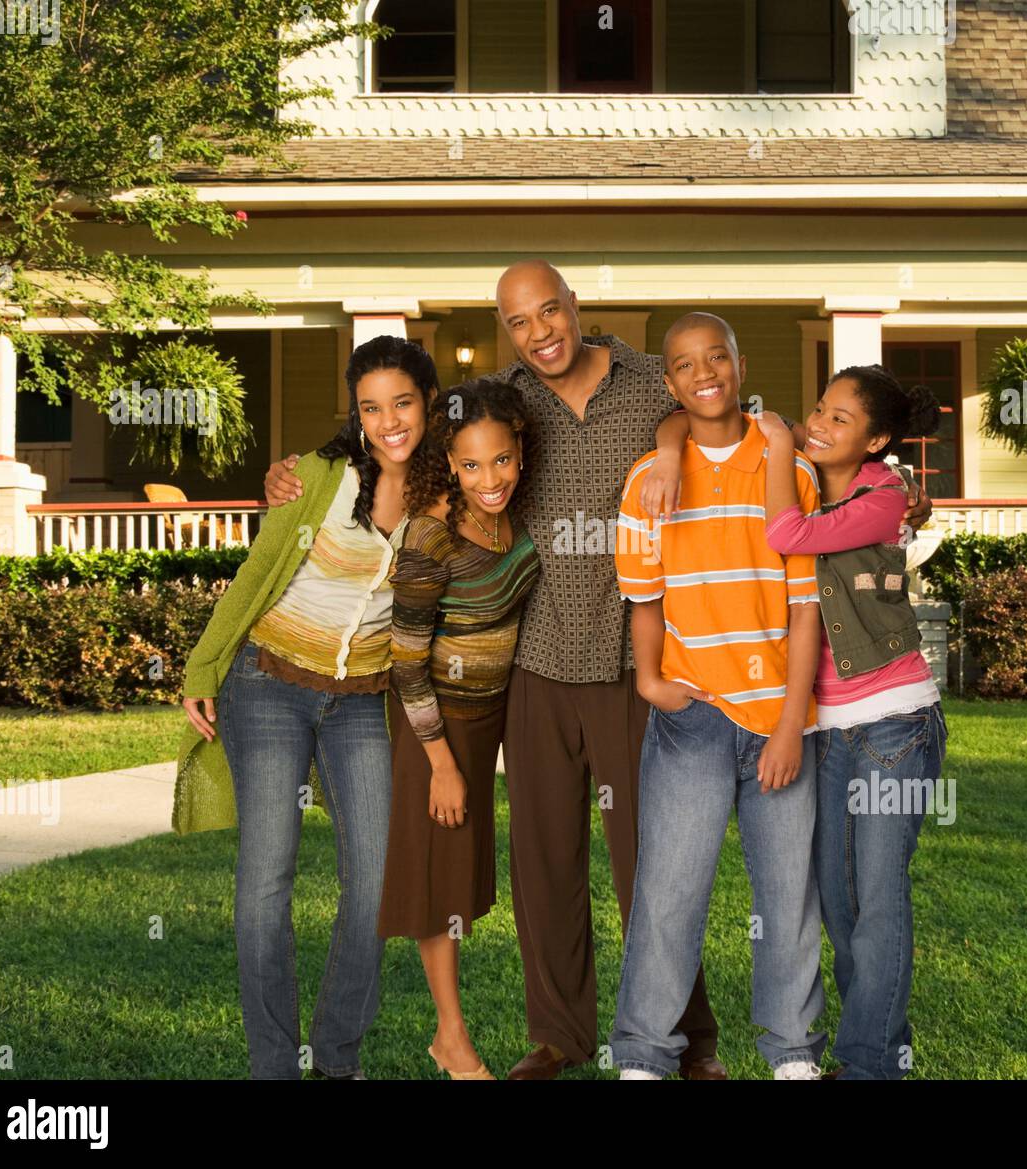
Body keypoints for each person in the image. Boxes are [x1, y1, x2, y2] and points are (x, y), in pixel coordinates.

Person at [263, 259, 933, 1080]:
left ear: (576, 307)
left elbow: (734, 420)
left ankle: (690, 1041)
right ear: (505, 329)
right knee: (545, 863)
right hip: (535, 660)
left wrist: (876, 482)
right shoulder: (500, 399)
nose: (539, 331)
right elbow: (398, 430)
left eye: (550, 310)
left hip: (631, 659)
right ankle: (559, 1036)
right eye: (519, 320)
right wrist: (298, 469)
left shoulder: (657, 378)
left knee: (651, 866)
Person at [176, 335, 437, 1080]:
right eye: (371, 407)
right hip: (267, 683)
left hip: (360, 701)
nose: (388, 420)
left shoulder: (445, 485)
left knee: (379, 877)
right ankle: (272, 1065)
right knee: (266, 877)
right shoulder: (319, 477)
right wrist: (202, 662)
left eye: (403, 403)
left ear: (428, 402)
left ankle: (336, 1052)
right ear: (354, 413)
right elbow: (260, 570)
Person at [609, 312, 828, 1080]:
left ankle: (793, 1053)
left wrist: (794, 723)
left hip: (778, 716)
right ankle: (642, 1055)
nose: (704, 373)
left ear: (739, 364)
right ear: (668, 382)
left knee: (788, 898)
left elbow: (807, 609)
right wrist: (649, 680)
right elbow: (644, 597)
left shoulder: (788, 470)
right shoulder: (648, 479)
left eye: (717, 357)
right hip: (692, 719)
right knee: (667, 895)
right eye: (684, 364)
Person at [760, 364, 950, 1080]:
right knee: (839, 902)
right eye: (819, 408)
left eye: (842, 419)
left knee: (878, 898)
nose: (819, 422)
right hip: (831, 727)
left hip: (895, 724)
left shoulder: (884, 492)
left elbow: (787, 533)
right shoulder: (821, 482)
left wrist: (781, 451)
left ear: (875, 440)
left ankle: (871, 1064)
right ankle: (873, 1046)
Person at [378, 379, 541, 1080]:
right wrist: (440, 761)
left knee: (470, 872)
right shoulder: (429, 533)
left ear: (520, 449)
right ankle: (452, 1035)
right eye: (471, 466)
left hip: (498, 710)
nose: (490, 479)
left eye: (500, 460)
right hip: (434, 722)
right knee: (437, 879)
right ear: (449, 462)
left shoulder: (519, 511)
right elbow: (405, 661)